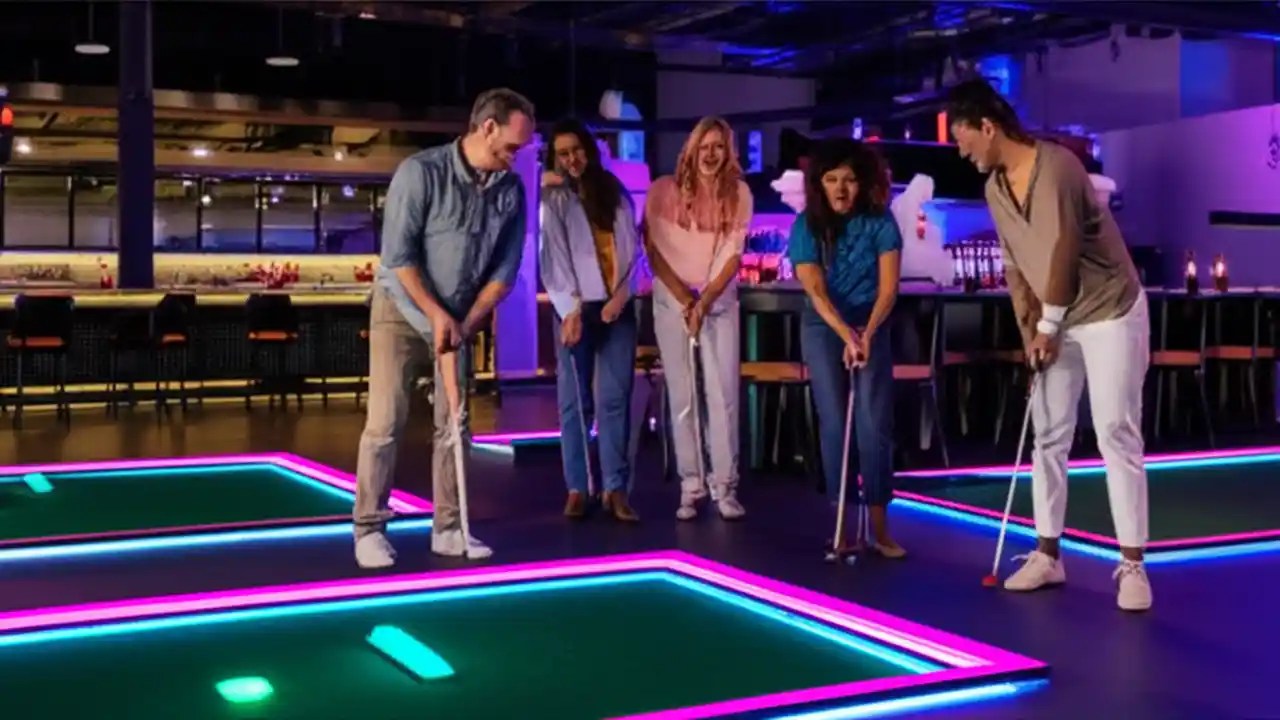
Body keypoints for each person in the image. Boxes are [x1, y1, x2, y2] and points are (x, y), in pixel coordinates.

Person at [947, 79, 1152, 612]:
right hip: (1056, 320)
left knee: (1115, 431)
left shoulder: (1058, 168)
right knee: (1049, 434)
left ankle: (1132, 565)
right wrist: (1028, 328)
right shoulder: (994, 188)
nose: (961, 149)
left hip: (1110, 309)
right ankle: (1047, 554)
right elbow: (1016, 265)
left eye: (964, 137)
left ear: (988, 127)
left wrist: (1048, 325)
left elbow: (1062, 250)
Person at [352, 88, 536, 568]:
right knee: (386, 421)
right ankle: (368, 529)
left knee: (455, 423)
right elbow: (398, 259)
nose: (515, 158)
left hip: (458, 318)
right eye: (512, 146)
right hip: (401, 308)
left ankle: (449, 529)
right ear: (487, 127)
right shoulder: (420, 173)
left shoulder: (510, 191)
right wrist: (437, 318)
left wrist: (462, 326)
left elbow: (504, 273)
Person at [787, 139, 906, 558]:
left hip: (872, 321)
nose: (840, 188)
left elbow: (889, 288)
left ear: (863, 183)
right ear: (819, 183)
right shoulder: (806, 225)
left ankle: (879, 528)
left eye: (850, 180)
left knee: (875, 421)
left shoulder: (881, 221)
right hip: (825, 324)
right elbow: (815, 290)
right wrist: (845, 335)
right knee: (836, 421)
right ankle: (842, 525)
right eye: (832, 179)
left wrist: (867, 334)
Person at [644, 116, 752, 521]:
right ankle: (692, 485)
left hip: (718, 300)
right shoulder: (661, 191)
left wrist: (704, 300)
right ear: (691, 149)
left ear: (728, 153)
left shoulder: (739, 194)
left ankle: (725, 487)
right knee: (683, 395)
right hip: (672, 300)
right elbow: (653, 251)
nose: (710, 154)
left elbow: (732, 255)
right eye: (704, 146)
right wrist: (683, 299)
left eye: (718, 147)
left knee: (722, 395)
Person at [539, 118, 641, 522]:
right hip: (575, 312)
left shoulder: (614, 192)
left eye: (576, 150)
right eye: (562, 154)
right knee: (574, 403)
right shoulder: (553, 198)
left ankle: (615, 488)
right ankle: (579, 487)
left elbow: (633, 248)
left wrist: (621, 295)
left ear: (589, 150)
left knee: (615, 400)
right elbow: (555, 259)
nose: (571, 159)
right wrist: (571, 310)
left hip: (617, 309)